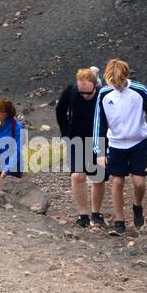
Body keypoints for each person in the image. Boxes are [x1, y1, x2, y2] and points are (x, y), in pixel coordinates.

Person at [92, 58, 147, 234]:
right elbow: (98, 123)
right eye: (113, 83)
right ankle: (119, 220)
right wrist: (99, 151)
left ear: (125, 76)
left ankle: (137, 206)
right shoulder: (104, 94)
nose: (117, 86)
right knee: (117, 181)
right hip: (116, 144)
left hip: (138, 142)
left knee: (139, 183)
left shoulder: (140, 90)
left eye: (120, 82)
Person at [55, 67, 107, 228]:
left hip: (98, 139)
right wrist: (65, 133)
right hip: (76, 138)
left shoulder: (102, 94)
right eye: (81, 92)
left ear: (95, 85)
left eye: (88, 93)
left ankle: (96, 213)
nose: (84, 96)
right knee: (77, 176)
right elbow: (60, 111)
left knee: (98, 177)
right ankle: (83, 214)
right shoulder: (71, 91)